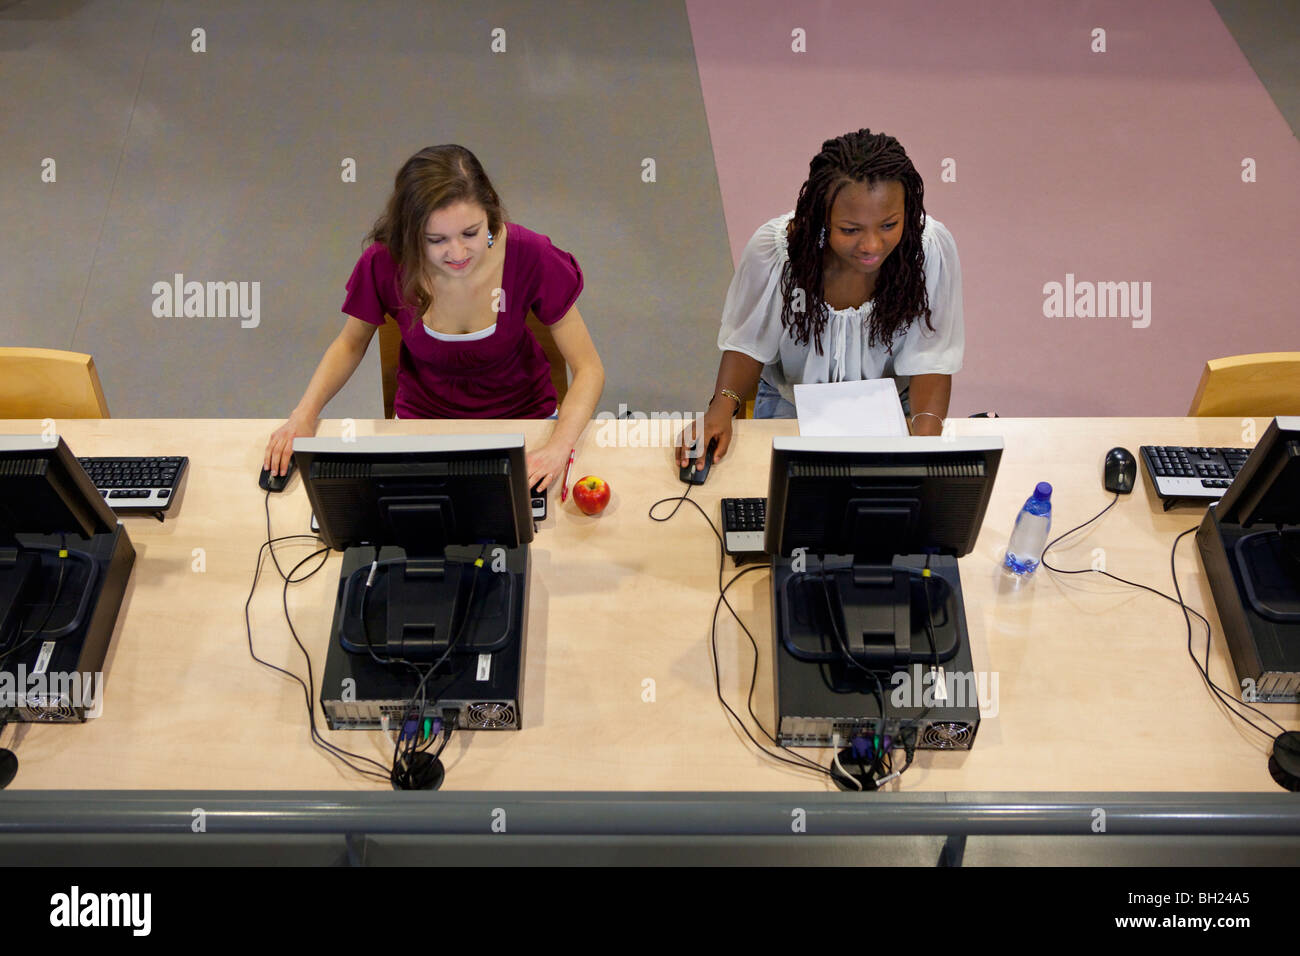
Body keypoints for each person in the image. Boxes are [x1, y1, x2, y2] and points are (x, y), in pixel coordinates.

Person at [264, 144, 604, 490]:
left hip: (524, 422)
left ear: (490, 212)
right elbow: (351, 343)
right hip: (422, 425)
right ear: (410, 234)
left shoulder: (532, 254)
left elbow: (589, 368)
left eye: (471, 233)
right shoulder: (385, 262)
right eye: (436, 240)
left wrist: (559, 447)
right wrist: (303, 415)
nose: (457, 254)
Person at [677, 129, 962, 471]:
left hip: (888, 405)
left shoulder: (928, 251)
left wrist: (925, 449)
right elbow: (748, 344)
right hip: (791, 401)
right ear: (822, 218)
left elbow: (930, 359)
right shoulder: (775, 253)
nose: (872, 245)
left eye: (889, 225)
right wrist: (720, 409)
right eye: (850, 229)